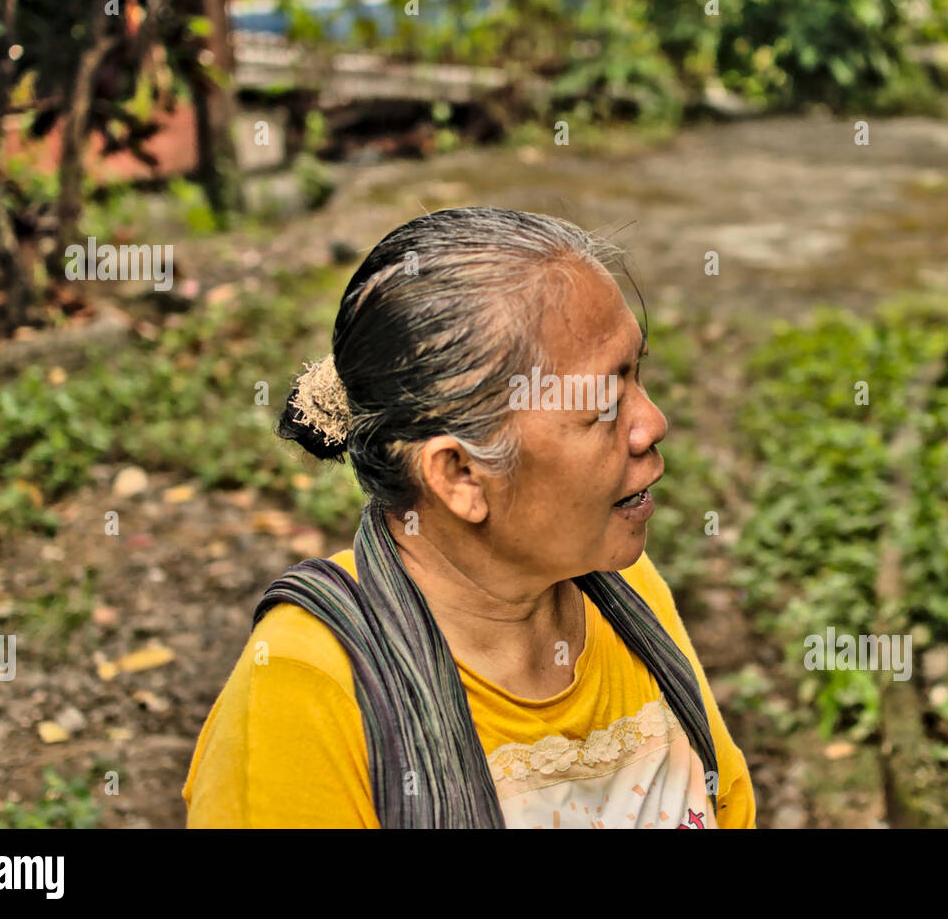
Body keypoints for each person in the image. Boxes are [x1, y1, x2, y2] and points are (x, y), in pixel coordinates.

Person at [182, 206, 756, 828]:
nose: (652, 424)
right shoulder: (305, 693)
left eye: (637, 376)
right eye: (604, 405)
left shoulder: (627, 596)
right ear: (458, 476)